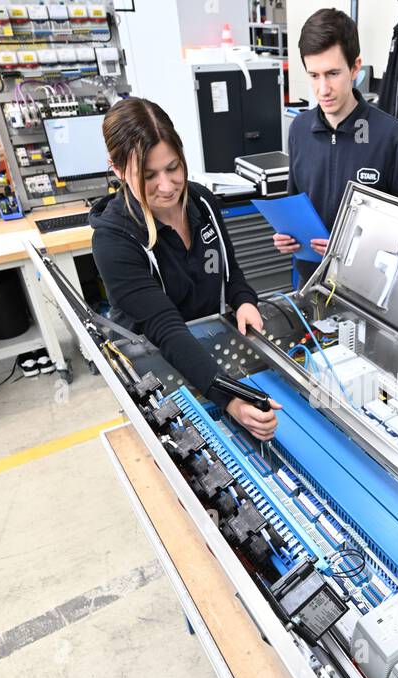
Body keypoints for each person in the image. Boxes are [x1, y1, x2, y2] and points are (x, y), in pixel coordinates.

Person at [90, 98, 280, 441]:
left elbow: (230, 272)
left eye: (173, 167)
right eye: (148, 176)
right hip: (157, 369)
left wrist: (245, 300)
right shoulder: (114, 239)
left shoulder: (203, 202)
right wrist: (231, 399)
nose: (167, 186)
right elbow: (166, 329)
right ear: (117, 169)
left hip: (209, 359)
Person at [273, 9, 398, 277]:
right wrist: (288, 236)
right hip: (310, 280)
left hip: (366, 284)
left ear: (355, 67)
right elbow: (294, 203)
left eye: (332, 73)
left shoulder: (390, 136)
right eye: (313, 75)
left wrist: (349, 246)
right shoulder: (299, 130)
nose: (322, 89)